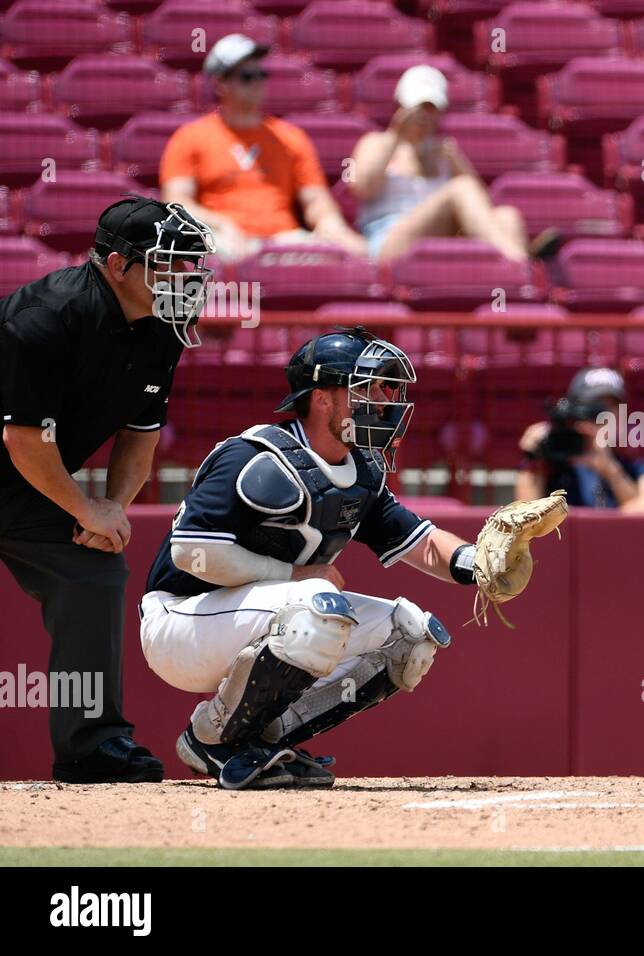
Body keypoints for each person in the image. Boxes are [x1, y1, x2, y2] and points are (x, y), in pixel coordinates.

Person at [139, 327, 564, 790]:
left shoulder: (360, 471)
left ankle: (260, 739)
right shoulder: (255, 457)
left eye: (386, 387)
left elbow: (418, 540)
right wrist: (298, 574)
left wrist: (482, 564)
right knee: (317, 604)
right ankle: (211, 741)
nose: (382, 399)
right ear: (322, 399)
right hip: (180, 621)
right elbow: (191, 552)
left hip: (256, 619)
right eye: (367, 387)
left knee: (410, 634)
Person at [0, 196, 215, 783]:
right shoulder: (43, 317)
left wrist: (111, 511)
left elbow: (138, 439)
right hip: (26, 462)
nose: (184, 279)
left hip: (31, 482)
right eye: (169, 263)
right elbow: (23, 441)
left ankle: (91, 747)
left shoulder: (161, 329)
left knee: (93, 573)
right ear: (117, 265)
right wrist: (83, 506)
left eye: (190, 265)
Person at [160, 33, 367, 262]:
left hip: (284, 240)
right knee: (204, 252)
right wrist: (220, 224)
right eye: (247, 76)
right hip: (225, 240)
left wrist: (333, 227)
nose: (257, 82)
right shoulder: (190, 137)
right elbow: (177, 204)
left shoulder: (290, 137)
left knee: (335, 255)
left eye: (261, 74)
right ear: (220, 83)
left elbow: (316, 200)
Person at [348, 65, 549, 263]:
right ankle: (523, 263)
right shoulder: (376, 142)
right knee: (461, 189)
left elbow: (482, 209)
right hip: (388, 240)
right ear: (400, 105)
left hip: (440, 241)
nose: (424, 116)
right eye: (418, 107)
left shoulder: (445, 152)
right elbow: (363, 187)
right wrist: (396, 134)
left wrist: (455, 161)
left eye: (431, 108)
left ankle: (514, 280)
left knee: (507, 216)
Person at [516, 367, 644, 514]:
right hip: (565, 547)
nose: (605, 417)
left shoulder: (636, 467)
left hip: (623, 549)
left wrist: (610, 470)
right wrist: (533, 459)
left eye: (613, 408)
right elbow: (524, 519)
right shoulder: (550, 458)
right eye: (596, 409)